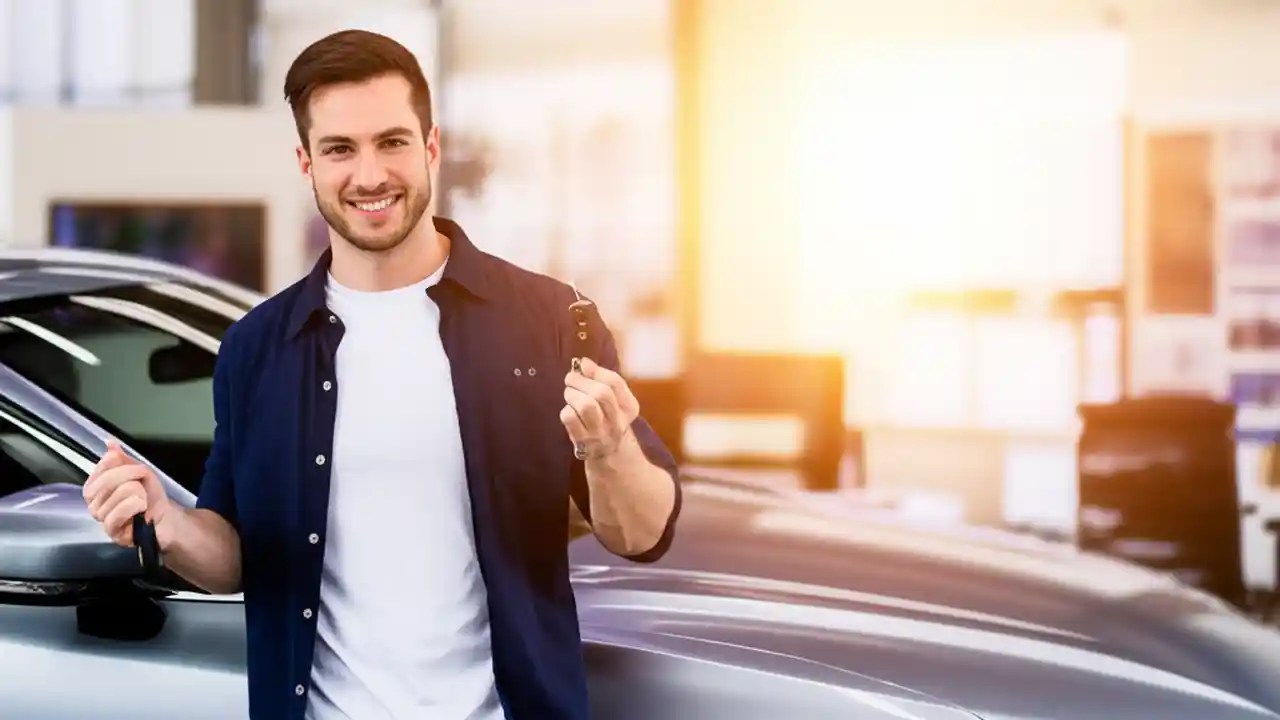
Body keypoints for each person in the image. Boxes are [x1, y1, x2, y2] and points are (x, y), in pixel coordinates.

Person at [80, 29, 680, 720]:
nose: (369, 175)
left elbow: (643, 533)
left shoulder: (548, 318)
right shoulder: (257, 348)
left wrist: (608, 450)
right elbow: (236, 559)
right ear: (306, 163)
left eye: (391, 142)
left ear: (431, 147)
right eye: (340, 149)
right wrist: (167, 524)